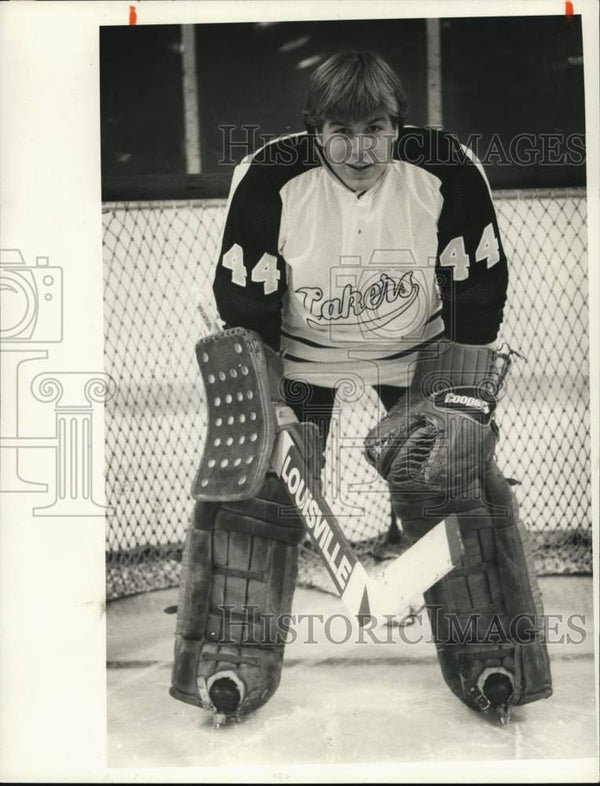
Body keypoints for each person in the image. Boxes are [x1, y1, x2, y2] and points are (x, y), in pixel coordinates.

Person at [171, 50, 552, 725]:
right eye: (341, 131)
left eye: (376, 128)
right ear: (314, 131)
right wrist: (275, 406)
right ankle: (229, 661)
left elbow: (478, 291)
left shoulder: (447, 168)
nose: (359, 148)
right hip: (300, 350)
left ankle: (493, 656)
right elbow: (244, 301)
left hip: (420, 347)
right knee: (260, 490)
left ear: (398, 128)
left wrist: (460, 402)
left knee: (453, 479)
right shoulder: (267, 177)